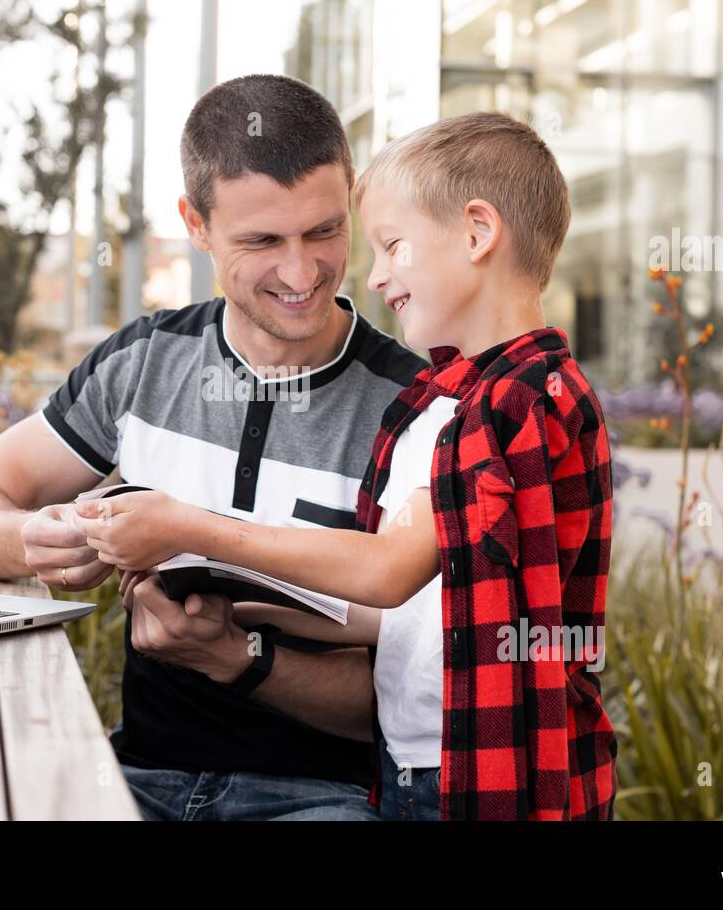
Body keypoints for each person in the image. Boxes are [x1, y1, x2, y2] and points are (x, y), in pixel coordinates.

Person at [75, 112, 618, 821]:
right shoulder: (444, 405)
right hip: (416, 763)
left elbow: (388, 570)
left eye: (394, 246)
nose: (376, 274)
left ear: (479, 233)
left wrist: (189, 527)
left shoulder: (521, 405)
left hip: (489, 779)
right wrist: (231, 606)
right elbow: (405, 608)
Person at [0, 74, 426, 820]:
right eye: (261, 241)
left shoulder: (417, 407)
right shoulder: (144, 363)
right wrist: (39, 540)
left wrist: (239, 660)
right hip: (137, 776)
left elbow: (397, 708)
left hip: (324, 797)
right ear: (195, 224)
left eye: (323, 231)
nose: (301, 272)